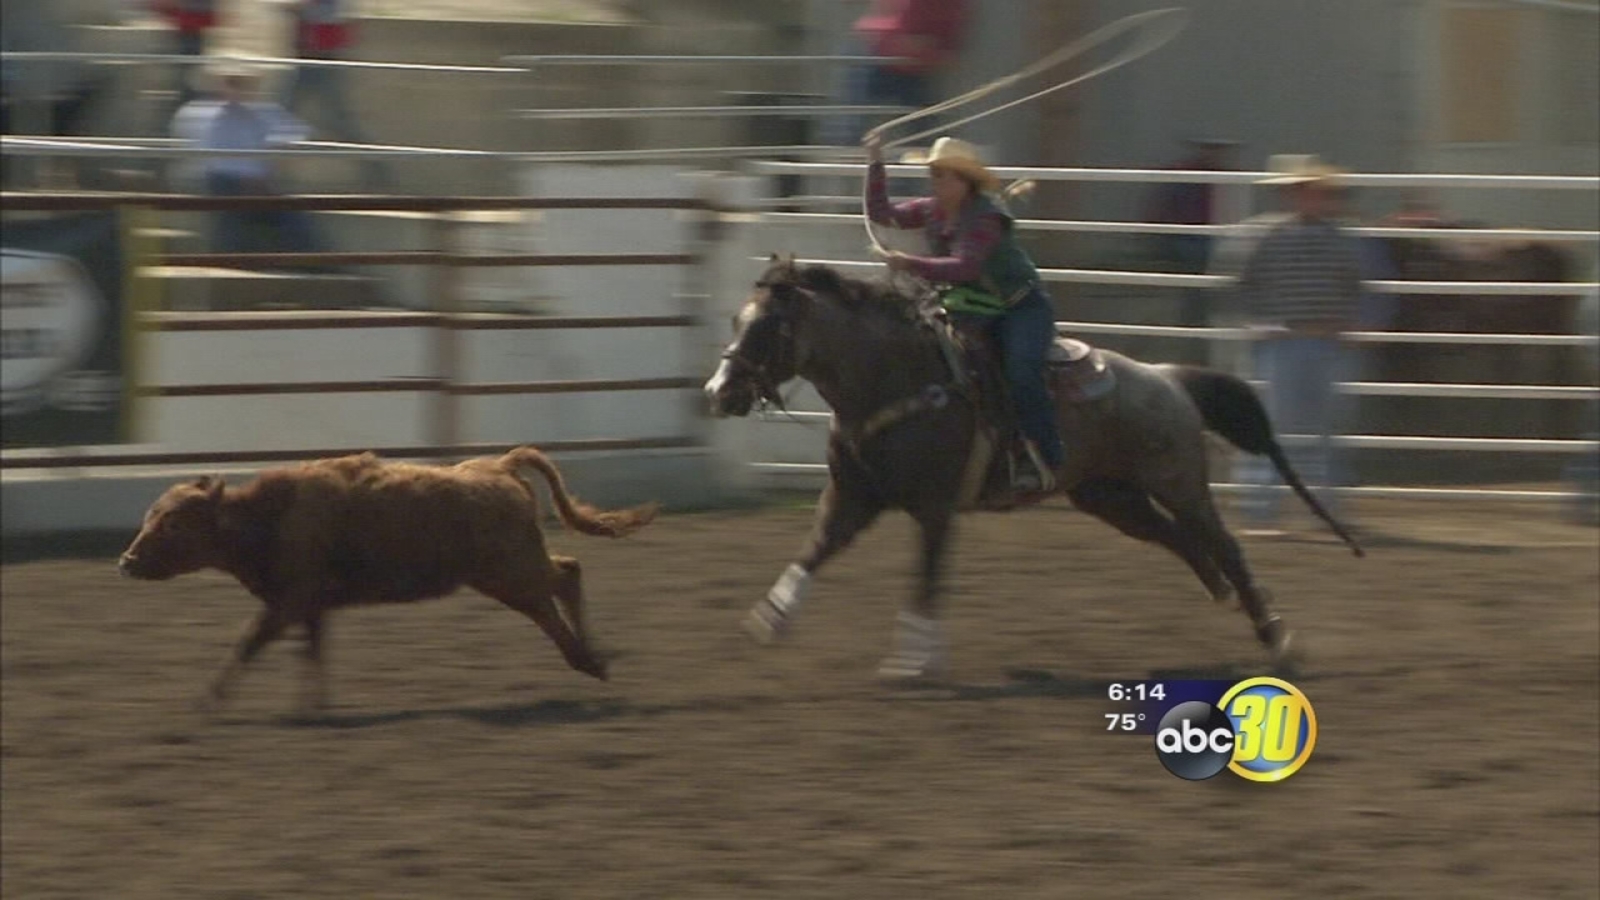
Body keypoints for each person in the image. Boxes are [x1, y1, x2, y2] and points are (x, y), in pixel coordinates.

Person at [864, 132, 1063, 494]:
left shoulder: (986, 218)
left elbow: (965, 267)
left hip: (1022, 308)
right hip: (973, 305)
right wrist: (876, 163)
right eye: (934, 174)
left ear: (963, 181)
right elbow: (882, 214)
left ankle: (1047, 456)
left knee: (1021, 373)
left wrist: (908, 262)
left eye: (942, 174)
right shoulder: (932, 210)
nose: (935, 180)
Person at [1230, 154, 1366, 534]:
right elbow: (1244, 285)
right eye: (1305, 191)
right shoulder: (1270, 236)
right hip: (1286, 340)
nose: (1313, 198)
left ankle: (1318, 507)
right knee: (1276, 428)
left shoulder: (1341, 238)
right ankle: (1265, 508)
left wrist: (1354, 323)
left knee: (1324, 429)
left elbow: (1359, 288)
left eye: (1319, 192)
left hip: (1323, 341)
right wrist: (1257, 322)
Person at [170, 63, 324, 266]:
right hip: (219, 180)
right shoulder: (200, 112)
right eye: (233, 83)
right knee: (230, 210)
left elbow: (297, 135)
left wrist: (274, 160)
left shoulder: (266, 112)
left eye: (245, 84)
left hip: (255, 183)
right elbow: (201, 153)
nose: (239, 89)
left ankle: (311, 264)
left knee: (293, 217)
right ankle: (228, 260)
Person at [278, 0, 389, 189]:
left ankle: (375, 165)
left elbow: (319, 16)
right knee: (285, 115)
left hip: (320, 63)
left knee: (331, 120)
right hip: (310, 62)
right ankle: (265, 172)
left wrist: (294, 9)